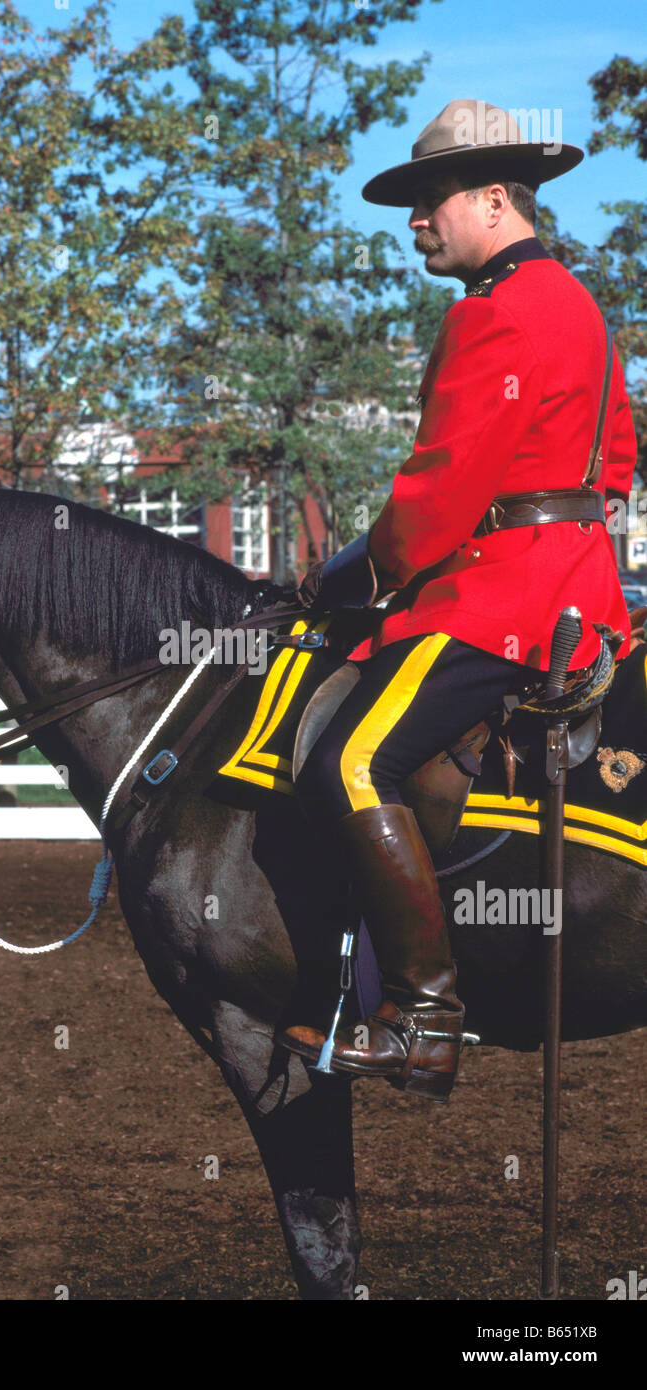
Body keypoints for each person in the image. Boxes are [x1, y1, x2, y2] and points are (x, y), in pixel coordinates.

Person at [276, 99, 637, 1101]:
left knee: (351, 759)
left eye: (430, 198)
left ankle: (424, 1015)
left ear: (489, 198)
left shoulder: (496, 311)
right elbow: (613, 464)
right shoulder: (576, 301)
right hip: (572, 590)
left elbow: (442, 485)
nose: (414, 220)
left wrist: (361, 570)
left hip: (501, 600)